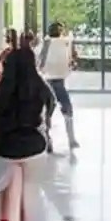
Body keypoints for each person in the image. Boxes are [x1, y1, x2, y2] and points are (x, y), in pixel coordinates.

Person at [0, 42, 53, 221]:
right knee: (30, 188)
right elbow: (50, 105)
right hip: (35, 145)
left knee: (11, 185)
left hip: (9, 147)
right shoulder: (39, 85)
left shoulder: (4, 90)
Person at [38, 22, 79, 150]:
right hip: (56, 81)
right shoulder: (63, 42)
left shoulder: (48, 43)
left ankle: (48, 140)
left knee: (48, 112)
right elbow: (71, 58)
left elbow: (40, 62)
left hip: (48, 80)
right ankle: (70, 139)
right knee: (67, 108)